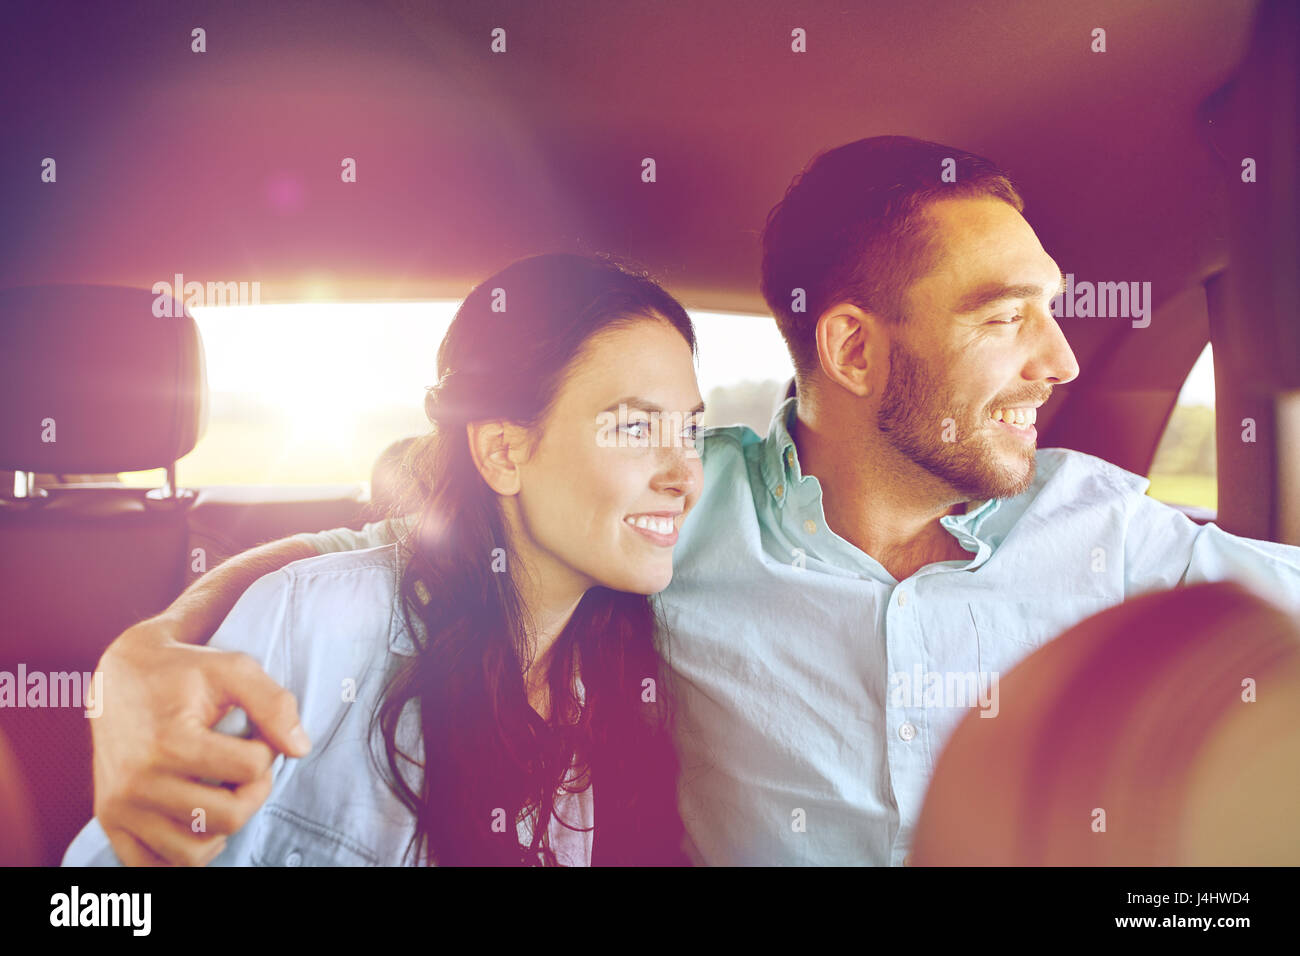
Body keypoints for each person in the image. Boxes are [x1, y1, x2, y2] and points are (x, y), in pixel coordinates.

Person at [70, 136, 1300, 867]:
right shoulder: (674, 512)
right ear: (857, 353)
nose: (1062, 360)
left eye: (1052, 309)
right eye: (1006, 317)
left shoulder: (1120, 532)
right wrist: (140, 661)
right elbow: (416, 531)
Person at [64, 252, 705, 866]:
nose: (686, 476)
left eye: (692, 431)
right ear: (504, 452)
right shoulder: (312, 629)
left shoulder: (608, 674)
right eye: (635, 428)